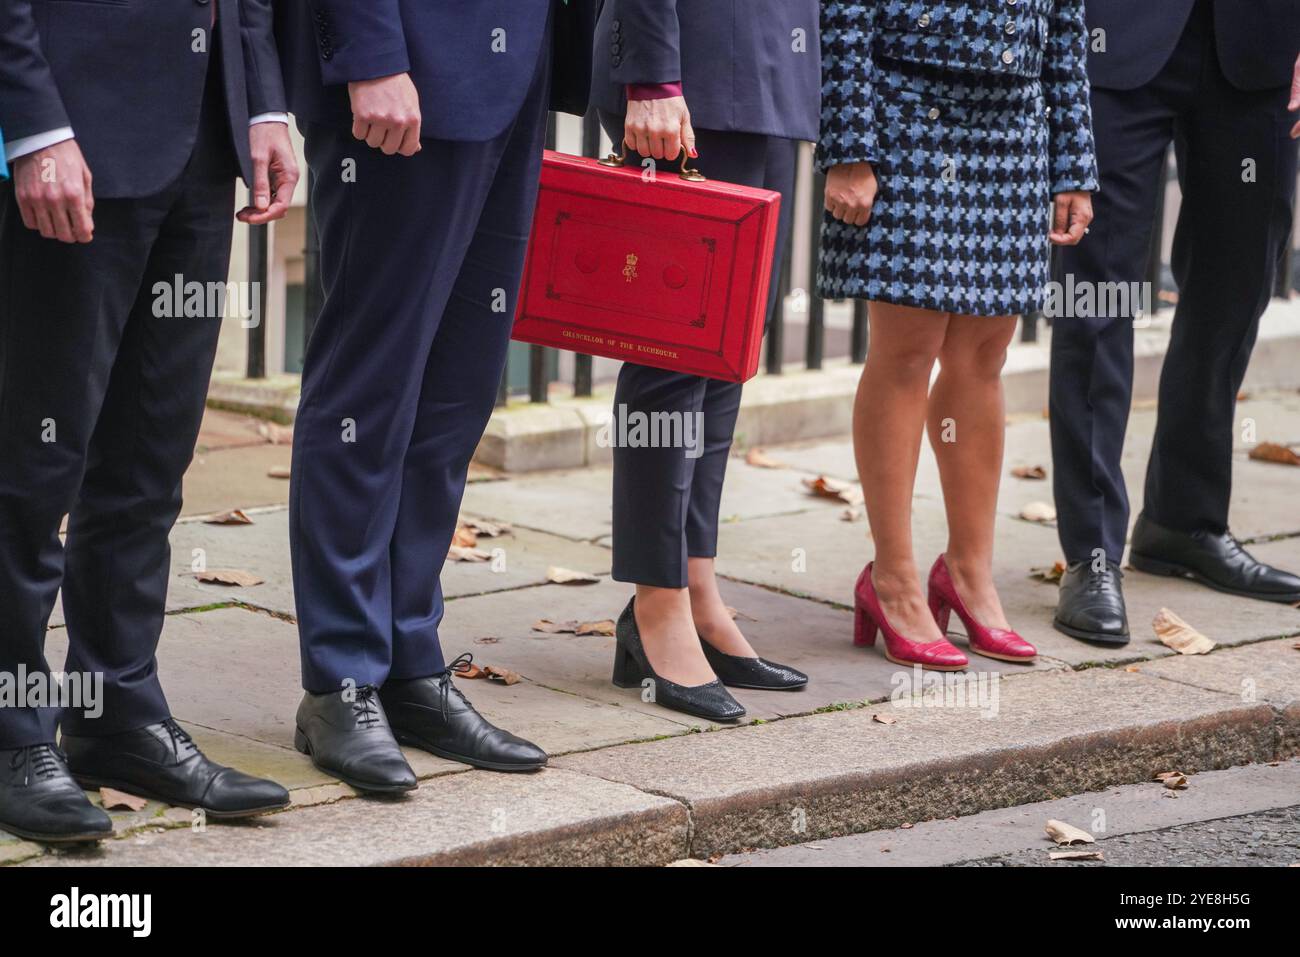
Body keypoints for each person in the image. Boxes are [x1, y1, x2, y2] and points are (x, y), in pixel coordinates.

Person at [275, 0, 597, 791]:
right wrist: (369, 52)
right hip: (405, 67)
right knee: (369, 389)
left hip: (515, 68)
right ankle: (342, 678)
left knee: (456, 394)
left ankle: (410, 660)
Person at [0, 0, 298, 842]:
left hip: (203, 130)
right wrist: (30, 125)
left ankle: (117, 708)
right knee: (33, 463)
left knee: (149, 456)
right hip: (73, 128)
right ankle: (14, 728)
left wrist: (262, 103)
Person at [818, 1, 1096, 669]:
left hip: (1014, 120)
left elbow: (1065, 22)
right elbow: (845, 10)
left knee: (983, 357)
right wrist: (851, 145)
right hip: (906, 107)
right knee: (907, 352)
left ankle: (969, 571)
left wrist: (1074, 164)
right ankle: (893, 578)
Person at [591, 0, 820, 722]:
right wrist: (653, 76)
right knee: (671, 354)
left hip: (769, 69)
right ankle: (656, 605)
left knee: (725, 354)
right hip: (690, 67)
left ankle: (694, 588)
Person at [1050, 0, 1300, 646]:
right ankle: (1093, 551)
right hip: (1117, 36)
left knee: (1236, 287)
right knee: (1099, 296)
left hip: (1262, 45)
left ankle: (1184, 524)